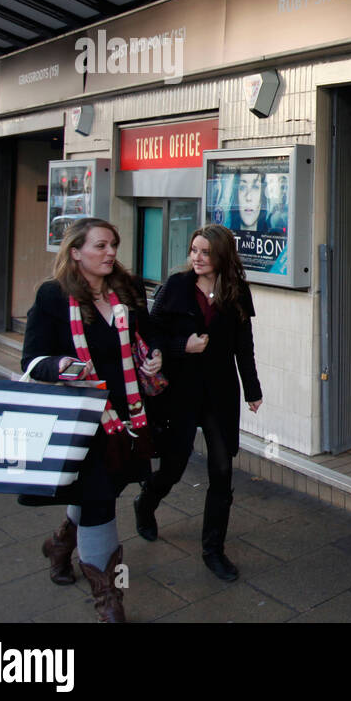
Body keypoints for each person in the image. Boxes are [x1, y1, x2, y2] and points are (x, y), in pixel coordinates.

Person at [21, 217, 165, 623]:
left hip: (128, 418)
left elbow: (147, 332)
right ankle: (108, 601)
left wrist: (153, 353)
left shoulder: (128, 289)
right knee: (99, 500)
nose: (110, 253)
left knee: (100, 491)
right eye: (101, 246)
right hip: (83, 421)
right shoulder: (53, 296)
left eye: (113, 245)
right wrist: (61, 364)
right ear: (76, 252)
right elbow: (31, 360)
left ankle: (60, 544)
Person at [138, 224, 263, 581]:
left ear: (221, 256)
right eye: (194, 250)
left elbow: (244, 346)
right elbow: (152, 334)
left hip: (220, 394)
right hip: (181, 392)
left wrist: (252, 390)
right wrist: (182, 348)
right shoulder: (175, 287)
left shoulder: (236, 291)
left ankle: (213, 550)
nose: (197, 257)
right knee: (174, 467)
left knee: (222, 472)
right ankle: (146, 503)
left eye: (205, 252)